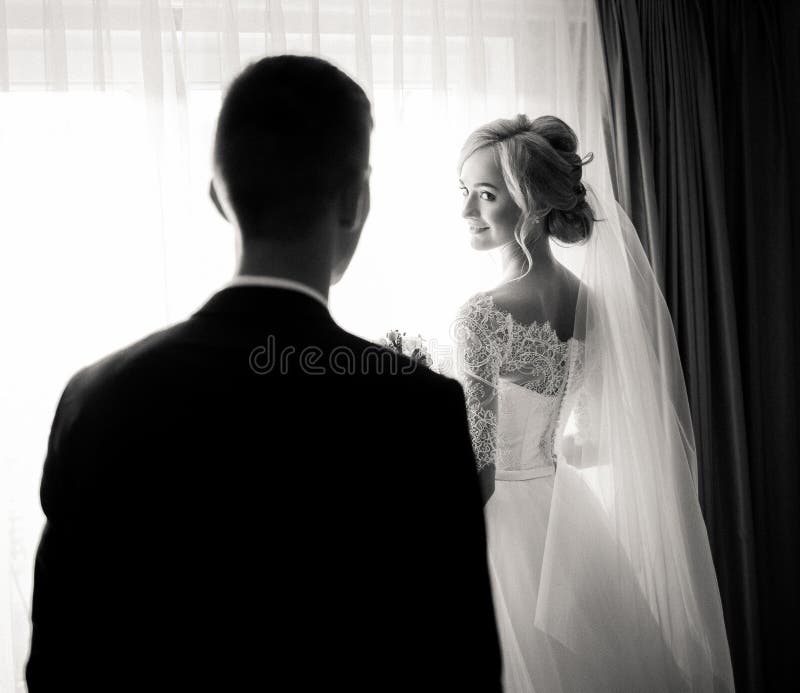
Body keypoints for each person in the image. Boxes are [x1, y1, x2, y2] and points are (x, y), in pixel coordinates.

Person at [26, 55, 501, 692]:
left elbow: (59, 664)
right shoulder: (419, 410)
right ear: (357, 201)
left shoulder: (96, 394)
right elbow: (458, 666)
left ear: (218, 197)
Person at [454, 114, 734, 692]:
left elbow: (478, 474)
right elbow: (594, 441)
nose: (467, 213)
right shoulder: (592, 305)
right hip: (563, 516)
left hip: (501, 530)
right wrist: (542, 449)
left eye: (485, 194)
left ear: (529, 202)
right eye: (466, 193)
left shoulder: (480, 317)